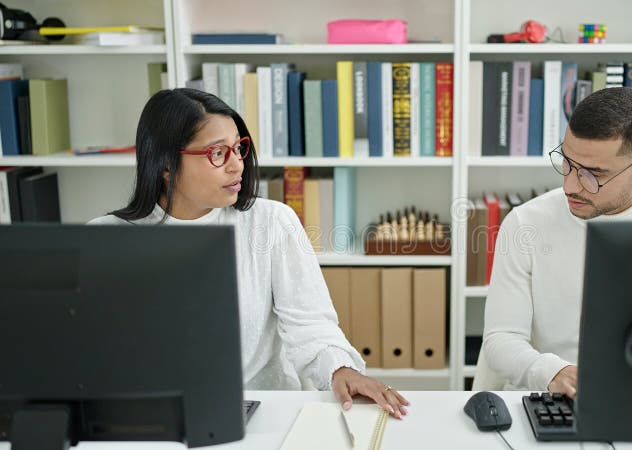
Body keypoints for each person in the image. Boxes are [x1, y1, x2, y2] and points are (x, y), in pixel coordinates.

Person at [89, 88, 409, 419]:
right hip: (152, 417)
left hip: (263, 413)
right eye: (217, 153)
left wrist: (340, 370)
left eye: (238, 148)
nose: (237, 165)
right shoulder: (105, 238)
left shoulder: (271, 221)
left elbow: (310, 324)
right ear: (167, 164)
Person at [481, 87, 632, 398]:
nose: (570, 185)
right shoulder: (526, 223)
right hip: (546, 397)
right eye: (567, 163)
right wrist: (554, 372)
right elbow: (500, 339)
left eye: (594, 174)